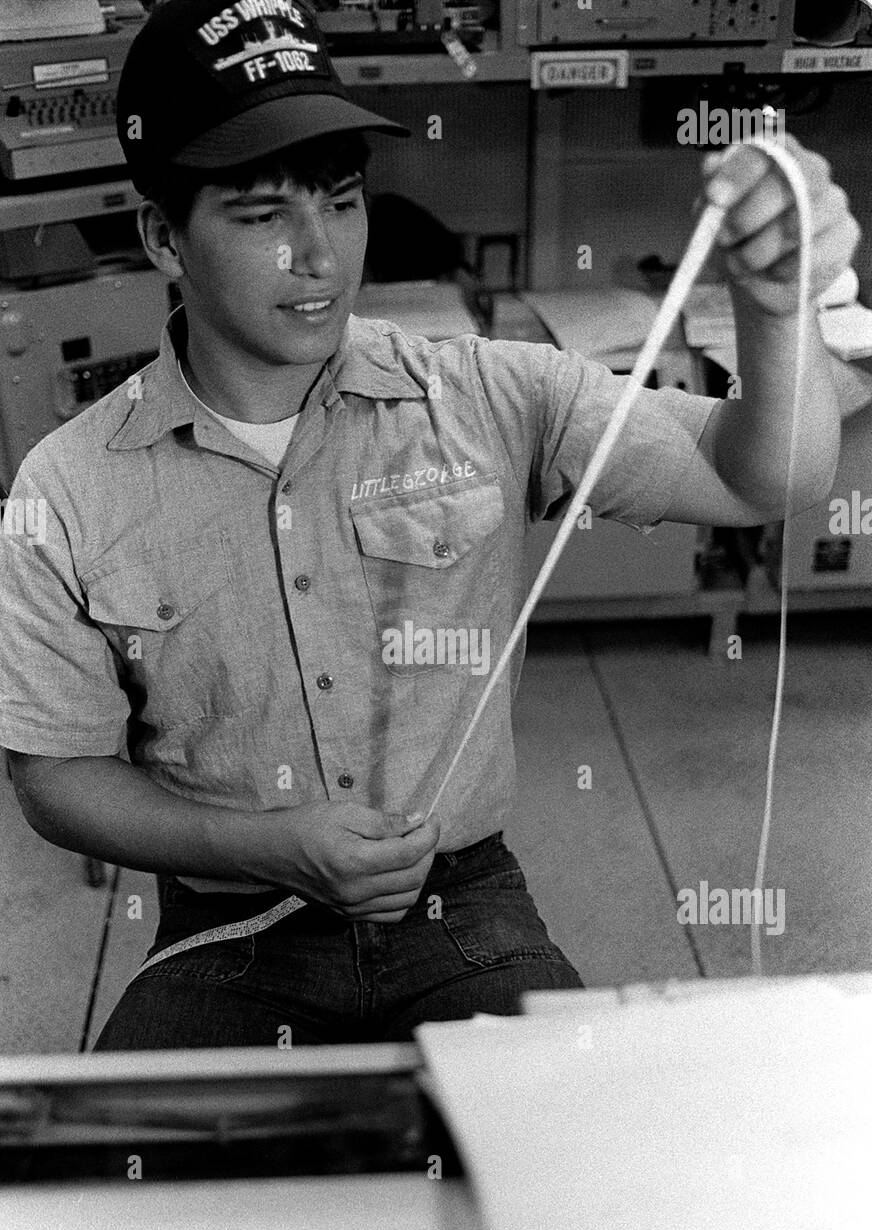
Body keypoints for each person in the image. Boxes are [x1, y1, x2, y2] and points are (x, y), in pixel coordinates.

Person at [0, 0, 860, 1047]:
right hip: (230, 924)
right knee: (125, 1189)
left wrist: (777, 312)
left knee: (566, 1171)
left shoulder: (484, 393)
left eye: (342, 200)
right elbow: (55, 779)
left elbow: (761, 478)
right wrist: (268, 843)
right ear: (162, 237)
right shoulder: (69, 487)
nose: (319, 255)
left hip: (462, 910)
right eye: (262, 215)